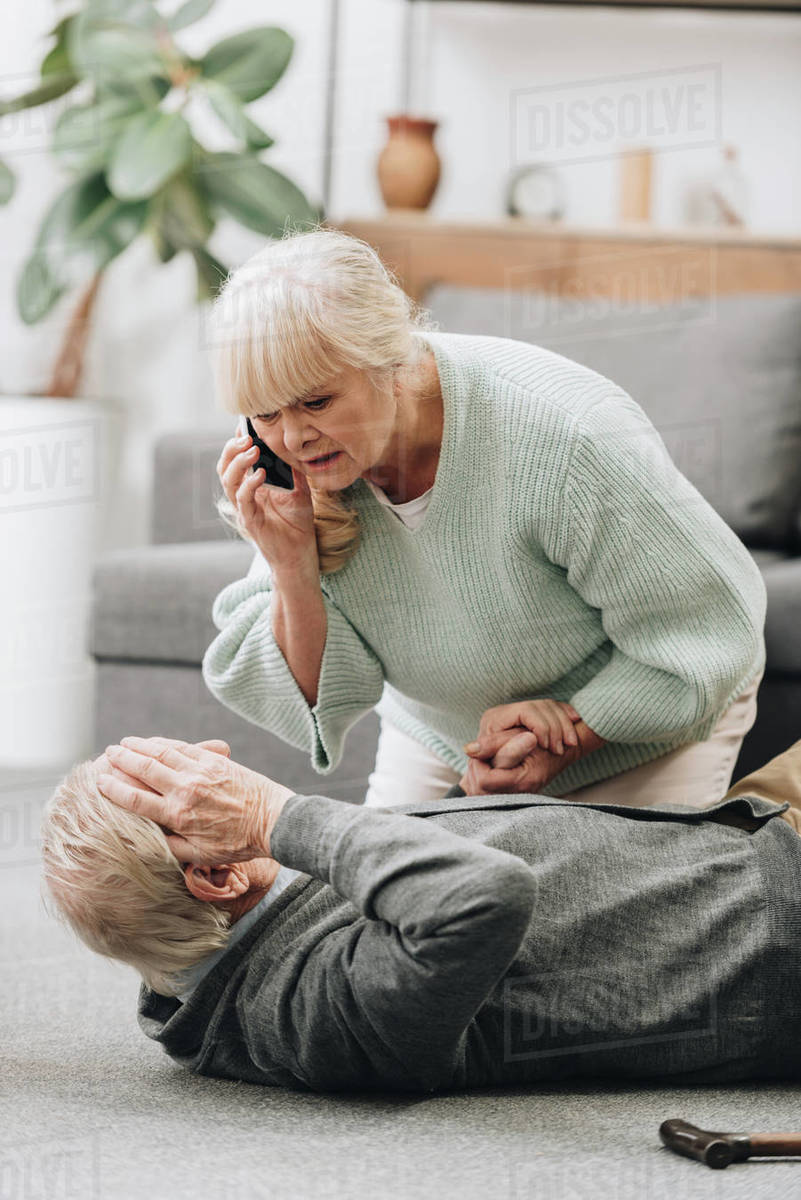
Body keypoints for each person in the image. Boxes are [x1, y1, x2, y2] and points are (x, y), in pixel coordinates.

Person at [201, 226, 766, 810]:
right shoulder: (305, 462)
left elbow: (708, 629)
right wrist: (290, 562)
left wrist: (572, 731)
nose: (293, 438)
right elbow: (307, 696)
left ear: (387, 361)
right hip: (446, 732)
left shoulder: (568, 436)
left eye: (317, 402)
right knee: (378, 873)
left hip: (637, 720)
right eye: (265, 413)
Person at [41, 735, 801, 1094]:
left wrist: (484, 806)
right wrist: (271, 813)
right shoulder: (312, 1018)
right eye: (191, 785)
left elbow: (413, 877)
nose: (221, 757)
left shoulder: (243, 928)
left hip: (743, 825)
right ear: (217, 875)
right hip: (773, 917)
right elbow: (483, 897)